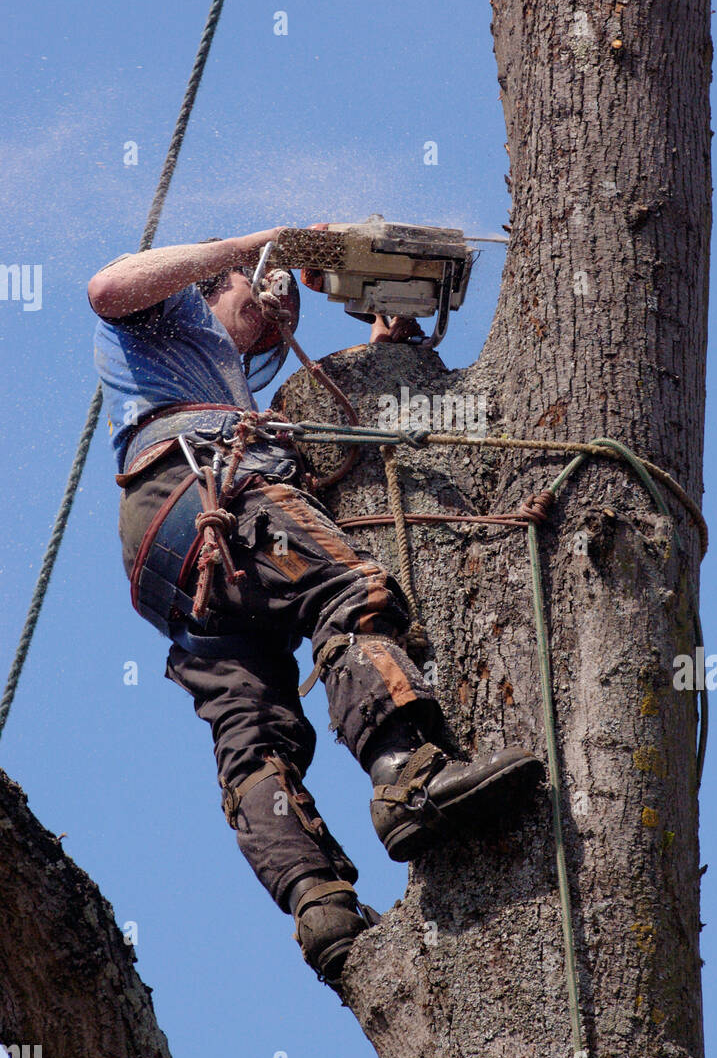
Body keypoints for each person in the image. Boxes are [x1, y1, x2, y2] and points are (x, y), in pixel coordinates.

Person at [88, 227, 542, 993]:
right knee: (344, 588)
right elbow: (107, 287)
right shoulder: (162, 322)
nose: (271, 311)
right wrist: (264, 241)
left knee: (251, 726)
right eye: (253, 294)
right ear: (209, 290)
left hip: (163, 551)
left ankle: (320, 909)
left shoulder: (208, 371)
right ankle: (408, 775)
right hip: (202, 493)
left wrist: (382, 339)